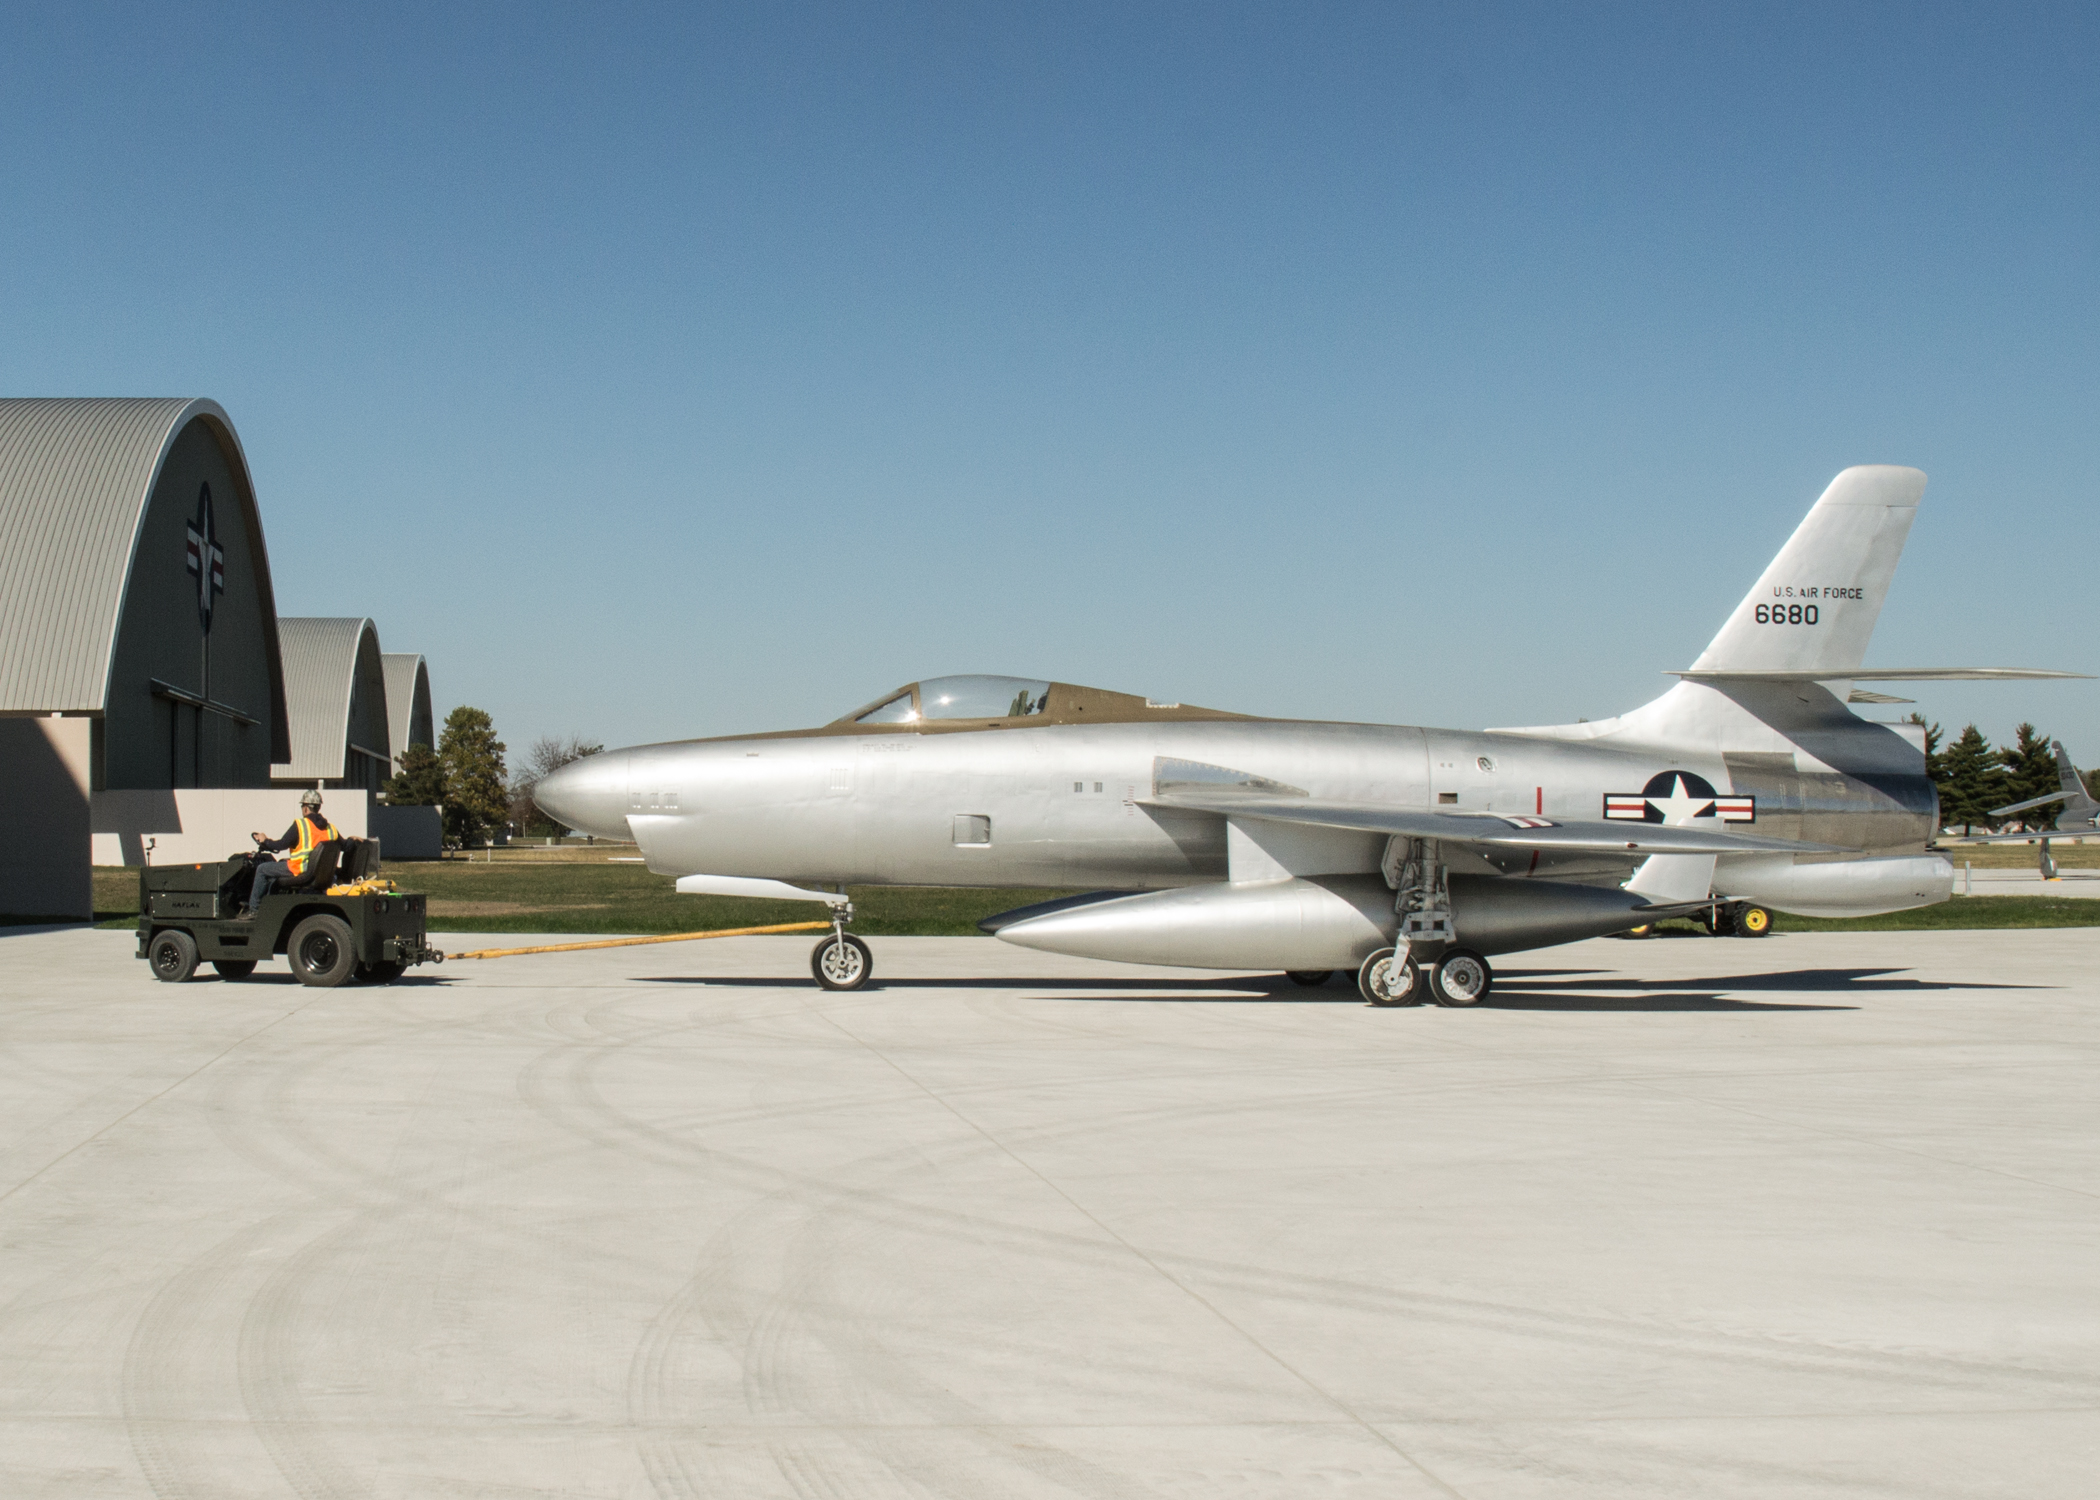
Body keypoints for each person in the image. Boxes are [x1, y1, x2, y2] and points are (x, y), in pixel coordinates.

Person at [243, 789, 343, 917]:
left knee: (262, 869)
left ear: (306, 808)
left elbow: (280, 845)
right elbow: (345, 845)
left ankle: (254, 910)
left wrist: (265, 840)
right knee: (281, 863)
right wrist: (354, 839)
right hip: (319, 871)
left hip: (300, 869)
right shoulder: (330, 828)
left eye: (302, 806)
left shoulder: (300, 825)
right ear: (318, 807)